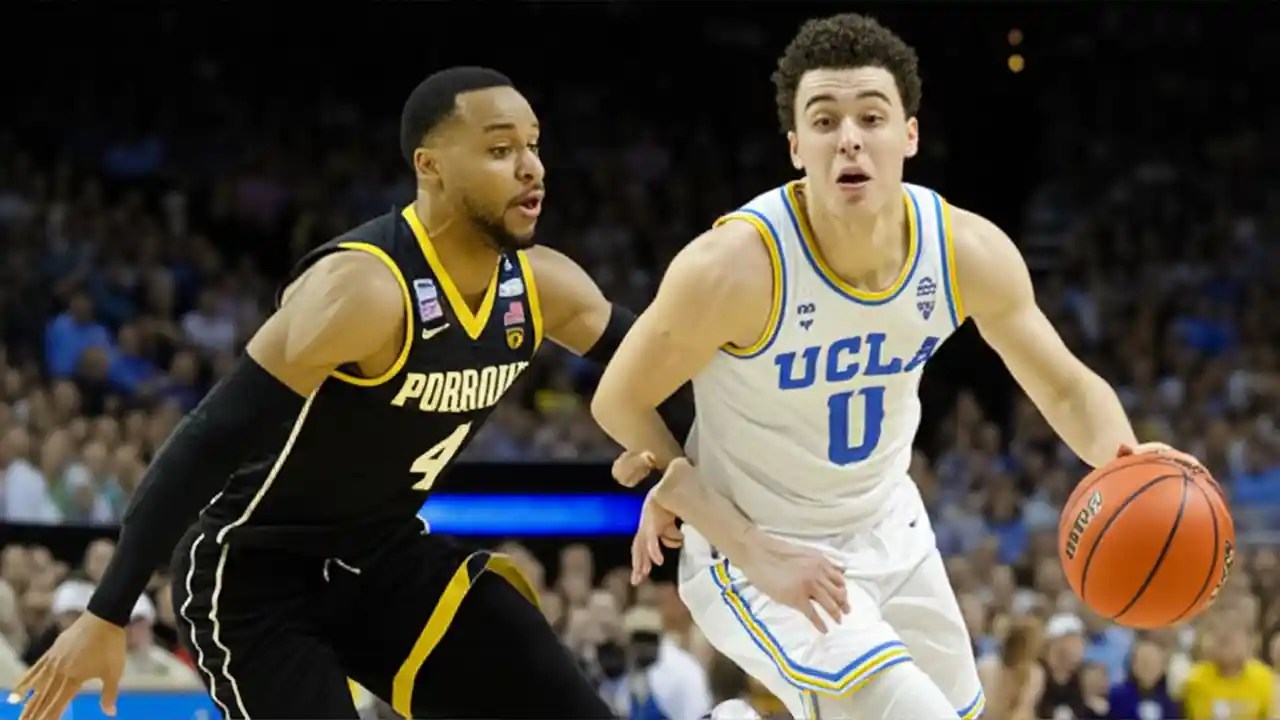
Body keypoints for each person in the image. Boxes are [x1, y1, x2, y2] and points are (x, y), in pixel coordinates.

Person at [11, 66, 691, 720]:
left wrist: (688, 472)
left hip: (382, 558)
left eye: (535, 146)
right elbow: (209, 438)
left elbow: (671, 378)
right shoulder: (364, 291)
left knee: (549, 684)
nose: (531, 167)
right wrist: (107, 610)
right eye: (499, 149)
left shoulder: (544, 287)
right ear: (430, 166)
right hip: (255, 577)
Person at [592, 13, 1197, 720]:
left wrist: (1124, 460)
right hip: (760, 550)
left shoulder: (964, 251)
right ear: (796, 147)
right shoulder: (734, 269)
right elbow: (619, 400)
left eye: (871, 116)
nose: (849, 136)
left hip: (890, 528)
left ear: (909, 135)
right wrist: (727, 529)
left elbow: (1062, 385)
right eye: (824, 120)